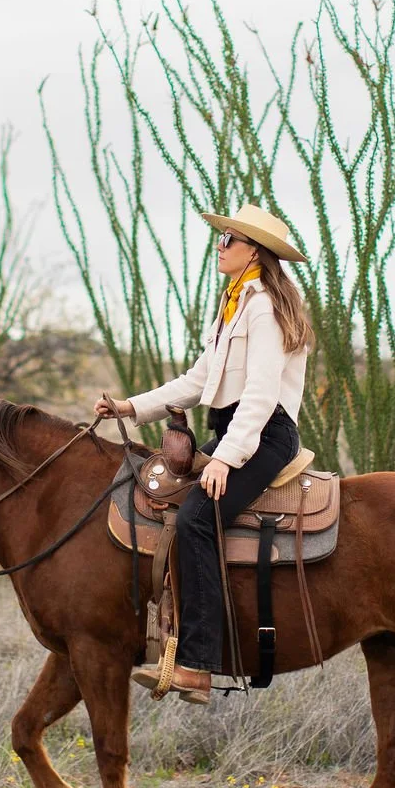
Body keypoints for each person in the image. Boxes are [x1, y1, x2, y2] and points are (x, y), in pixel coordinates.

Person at [94, 203, 313, 704]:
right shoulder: (234, 303)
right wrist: (130, 407)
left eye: (228, 240)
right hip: (235, 429)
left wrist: (224, 458)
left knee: (196, 518)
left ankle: (198, 664)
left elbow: (259, 394)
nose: (219, 247)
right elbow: (198, 381)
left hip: (263, 434)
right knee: (169, 502)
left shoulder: (263, 308)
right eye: (221, 239)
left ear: (253, 250)